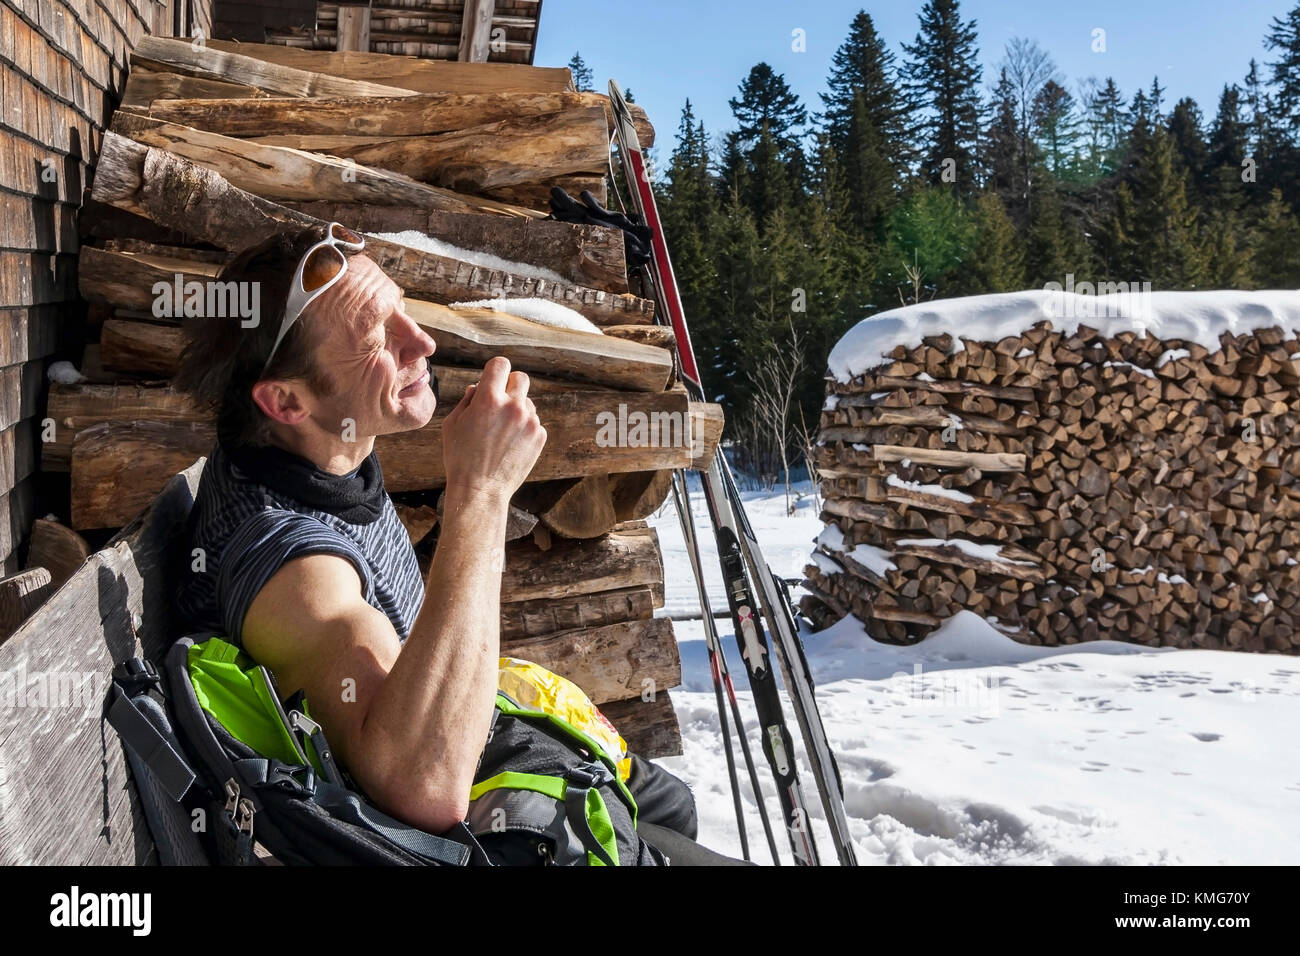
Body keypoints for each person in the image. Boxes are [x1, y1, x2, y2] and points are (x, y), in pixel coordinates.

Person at [172, 223, 744, 865]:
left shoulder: (316, 456)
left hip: (494, 758)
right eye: (377, 338)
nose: (422, 340)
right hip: (469, 830)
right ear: (284, 400)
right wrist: (481, 493)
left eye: (402, 311)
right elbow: (423, 786)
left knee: (672, 806)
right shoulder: (289, 562)